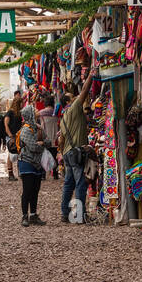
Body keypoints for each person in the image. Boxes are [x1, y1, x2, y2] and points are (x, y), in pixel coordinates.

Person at [58, 87, 91, 223]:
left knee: (68, 184)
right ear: (68, 101)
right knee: (80, 184)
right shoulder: (74, 108)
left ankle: (65, 214)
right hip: (75, 153)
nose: (75, 97)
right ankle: (79, 215)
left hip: (67, 153)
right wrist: (91, 74)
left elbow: (61, 139)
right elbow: (84, 92)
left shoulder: (63, 118)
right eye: (72, 97)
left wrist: (61, 152)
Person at [17, 106, 46, 226]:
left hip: (37, 164)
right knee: (27, 190)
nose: (37, 112)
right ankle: (24, 216)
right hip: (26, 163)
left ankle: (33, 215)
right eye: (34, 111)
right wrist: (42, 144)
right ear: (30, 115)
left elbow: (48, 141)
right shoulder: (25, 130)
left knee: (35, 190)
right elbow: (33, 147)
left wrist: (42, 143)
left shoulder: (38, 128)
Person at [3, 92, 24, 181]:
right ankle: (10, 173)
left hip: (18, 135)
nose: (23, 104)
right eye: (22, 103)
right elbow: (6, 124)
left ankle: (21, 172)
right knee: (11, 154)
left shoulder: (19, 113)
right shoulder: (10, 113)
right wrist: (10, 135)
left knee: (19, 153)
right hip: (11, 136)